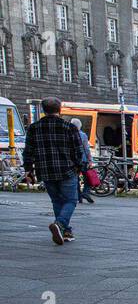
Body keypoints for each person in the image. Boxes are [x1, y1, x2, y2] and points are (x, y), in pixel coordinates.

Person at [22, 97, 85, 245]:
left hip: (45, 170)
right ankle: (60, 224)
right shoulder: (69, 127)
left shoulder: (33, 128)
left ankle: (65, 231)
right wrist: (79, 167)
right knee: (71, 200)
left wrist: (28, 170)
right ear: (60, 109)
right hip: (67, 170)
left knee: (57, 200)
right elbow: (78, 151)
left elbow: (28, 152)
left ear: (44, 110)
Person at [70, 119, 95, 205]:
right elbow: (86, 149)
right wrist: (90, 160)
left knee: (75, 179)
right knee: (87, 177)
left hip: (72, 161)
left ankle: (78, 196)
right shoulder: (83, 135)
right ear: (80, 126)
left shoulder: (68, 134)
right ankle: (85, 192)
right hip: (83, 160)